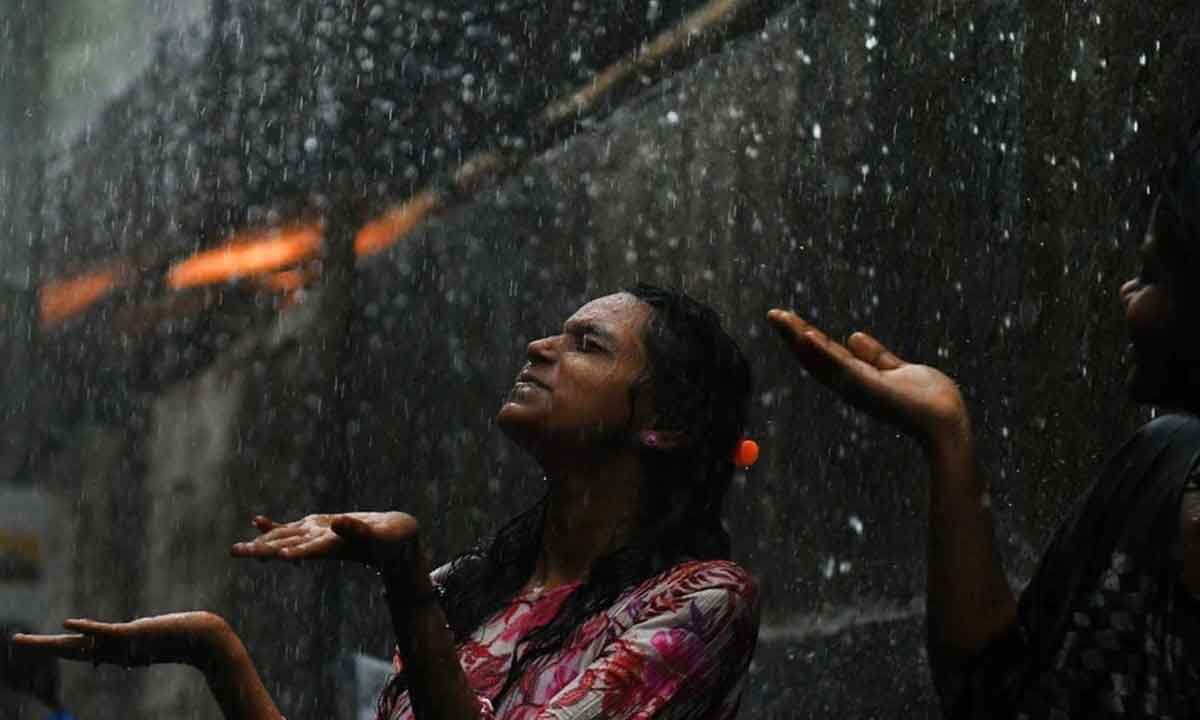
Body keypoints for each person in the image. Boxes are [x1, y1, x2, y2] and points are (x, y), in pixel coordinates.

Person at [14, 284, 760, 720]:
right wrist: (217, 654)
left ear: (664, 423)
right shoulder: (471, 589)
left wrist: (403, 581)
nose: (539, 348)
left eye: (587, 345)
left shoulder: (699, 602)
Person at [767, 124, 1200, 718]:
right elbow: (996, 693)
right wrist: (948, 437)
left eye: (1151, 276)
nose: (1127, 296)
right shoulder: (1158, 472)